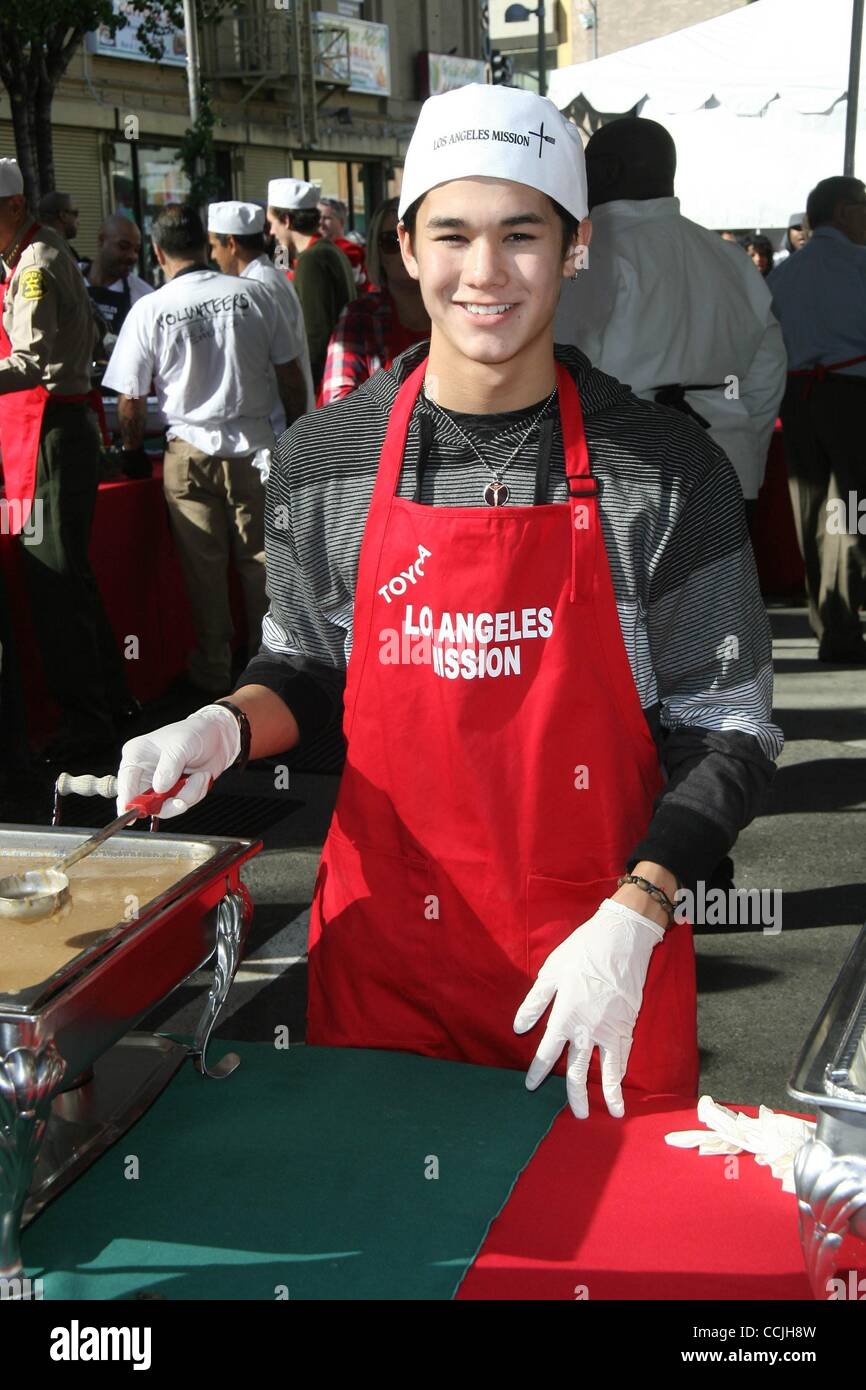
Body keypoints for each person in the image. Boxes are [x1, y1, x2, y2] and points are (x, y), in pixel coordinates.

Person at [116, 85, 782, 1122]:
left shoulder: (662, 471)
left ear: (573, 247)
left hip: (592, 958)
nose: (483, 273)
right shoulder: (323, 458)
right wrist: (225, 723)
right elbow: (306, 669)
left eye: (520, 234)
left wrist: (642, 905)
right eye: (452, 234)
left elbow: (726, 728)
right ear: (404, 248)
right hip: (384, 958)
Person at [103, 203, 307, 695]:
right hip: (256, 450)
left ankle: (216, 679)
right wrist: (297, 436)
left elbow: (130, 400)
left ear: (157, 251)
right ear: (205, 244)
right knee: (262, 565)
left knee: (205, 576)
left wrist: (132, 453)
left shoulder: (149, 309)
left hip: (188, 456)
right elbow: (289, 375)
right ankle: (270, 675)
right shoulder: (255, 295)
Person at [555, 118, 787, 524]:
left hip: (623, 471)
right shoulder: (731, 258)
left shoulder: (588, 255)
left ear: (606, 171)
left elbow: (562, 366)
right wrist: (745, 445)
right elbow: (767, 371)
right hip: (728, 466)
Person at [0, 158, 134, 764]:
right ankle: (109, 706)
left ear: (12, 208)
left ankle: (88, 727)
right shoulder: (33, 255)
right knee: (67, 580)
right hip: (51, 433)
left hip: (50, 435)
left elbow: (29, 361)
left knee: (54, 583)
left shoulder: (35, 264)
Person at [767, 176, 866, 663]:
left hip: (797, 396)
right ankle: (841, 623)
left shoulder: (785, 275)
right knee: (848, 510)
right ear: (846, 212)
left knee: (810, 511)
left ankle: (827, 618)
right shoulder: (861, 265)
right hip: (851, 396)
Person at [207, 199, 314, 439]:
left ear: (231, 244)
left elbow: (287, 369)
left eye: (214, 246)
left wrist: (291, 436)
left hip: (278, 427)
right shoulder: (265, 277)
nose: (213, 255)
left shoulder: (260, 284)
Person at [320, 196, 430, 404]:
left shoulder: (462, 310)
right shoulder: (360, 316)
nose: (405, 249)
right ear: (377, 252)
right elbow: (338, 406)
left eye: (415, 237)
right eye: (392, 241)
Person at [266, 178, 356, 390]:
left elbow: (315, 333)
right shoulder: (325, 249)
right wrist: (282, 246)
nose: (271, 232)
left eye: (272, 223)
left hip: (322, 380)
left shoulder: (312, 260)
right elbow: (281, 270)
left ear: (286, 220)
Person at [81, 214, 154, 337]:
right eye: (123, 246)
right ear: (101, 241)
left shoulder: (144, 297)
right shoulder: (68, 279)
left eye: (136, 250)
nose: (132, 256)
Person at [318, 194, 370, 292]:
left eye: (327, 218)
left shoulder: (349, 249)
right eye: (318, 218)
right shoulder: (314, 245)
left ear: (341, 221)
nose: (320, 222)